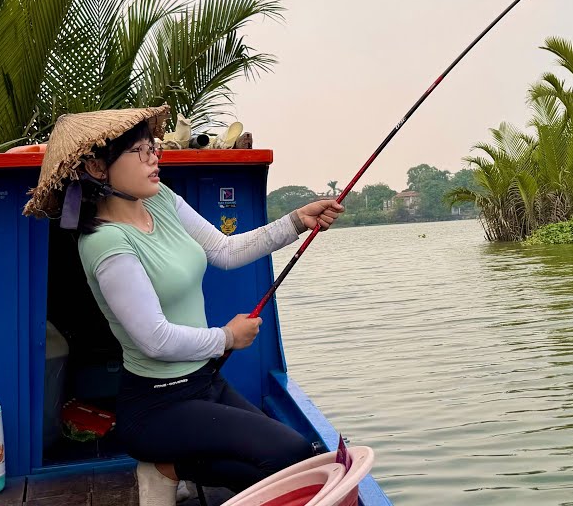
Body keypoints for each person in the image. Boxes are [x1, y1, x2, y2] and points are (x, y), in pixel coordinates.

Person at [23, 106, 344, 506]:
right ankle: (168, 467)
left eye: (153, 147)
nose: (153, 158)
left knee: (291, 465)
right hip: (157, 403)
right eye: (140, 151)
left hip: (204, 382)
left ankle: (170, 467)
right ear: (97, 167)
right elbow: (154, 339)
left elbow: (226, 250)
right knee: (289, 453)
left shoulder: (160, 200)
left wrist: (296, 220)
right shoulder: (106, 243)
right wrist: (226, 337)